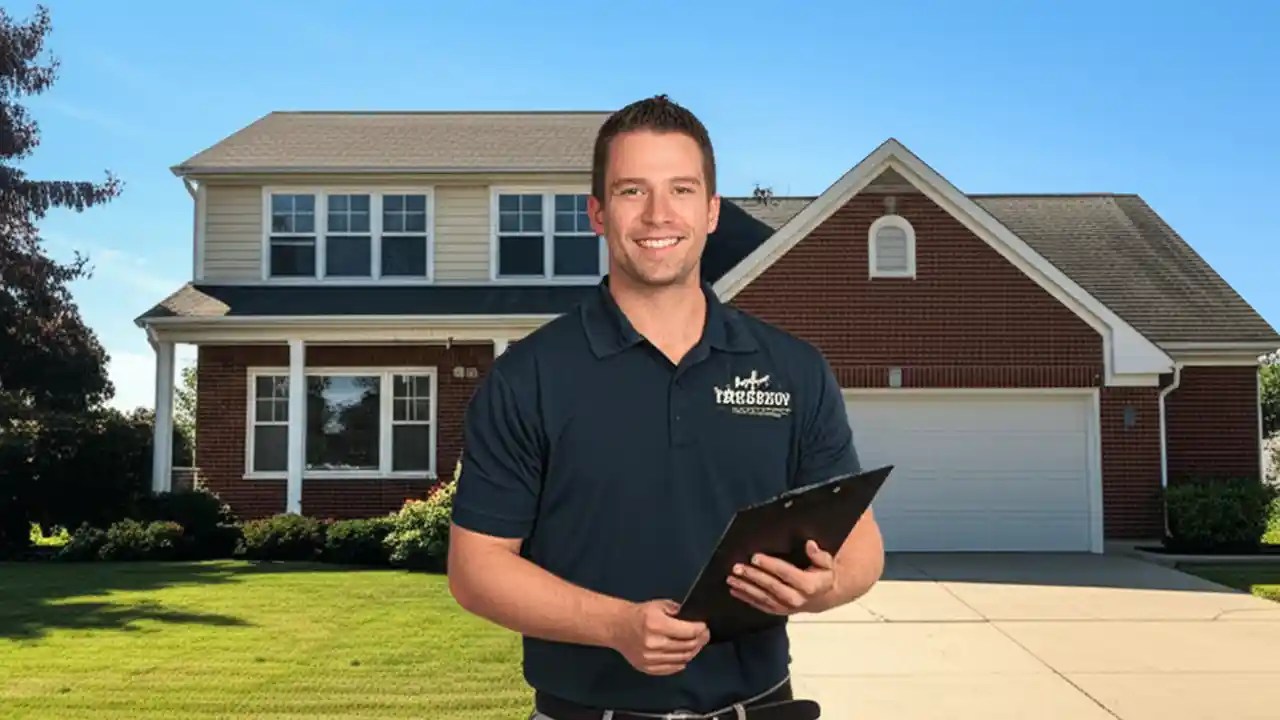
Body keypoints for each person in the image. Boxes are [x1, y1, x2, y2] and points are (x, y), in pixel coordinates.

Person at [447, 94, 884, 719]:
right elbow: (477, 568)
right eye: (632, 191)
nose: (658, 214)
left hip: (758, 706)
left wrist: (827, 585)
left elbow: (862, 544)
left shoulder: (791, 369)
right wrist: (615, 624)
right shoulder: (530, 376)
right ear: (597, 213)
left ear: (710, 212)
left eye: (681, 190)